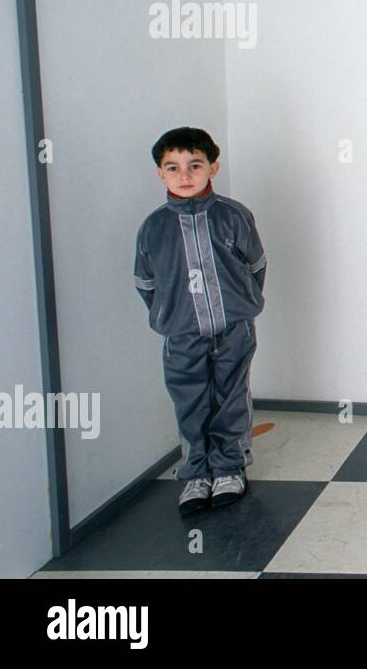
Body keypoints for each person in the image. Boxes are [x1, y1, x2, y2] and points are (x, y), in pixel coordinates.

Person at [133, 127, 267, 514]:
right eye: (173, 167)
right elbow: (145, 282)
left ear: (213, 167)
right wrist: (169, 315)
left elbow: (255, 265)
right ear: (161, 173)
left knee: (230, 395)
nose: (185, 175)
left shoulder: (233, 216)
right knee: (189, 400)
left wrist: (243, 303)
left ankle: (229, 467)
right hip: (181, 334)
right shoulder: (153, 228)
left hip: (234, 328)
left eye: (195, 165)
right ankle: (196, 473)